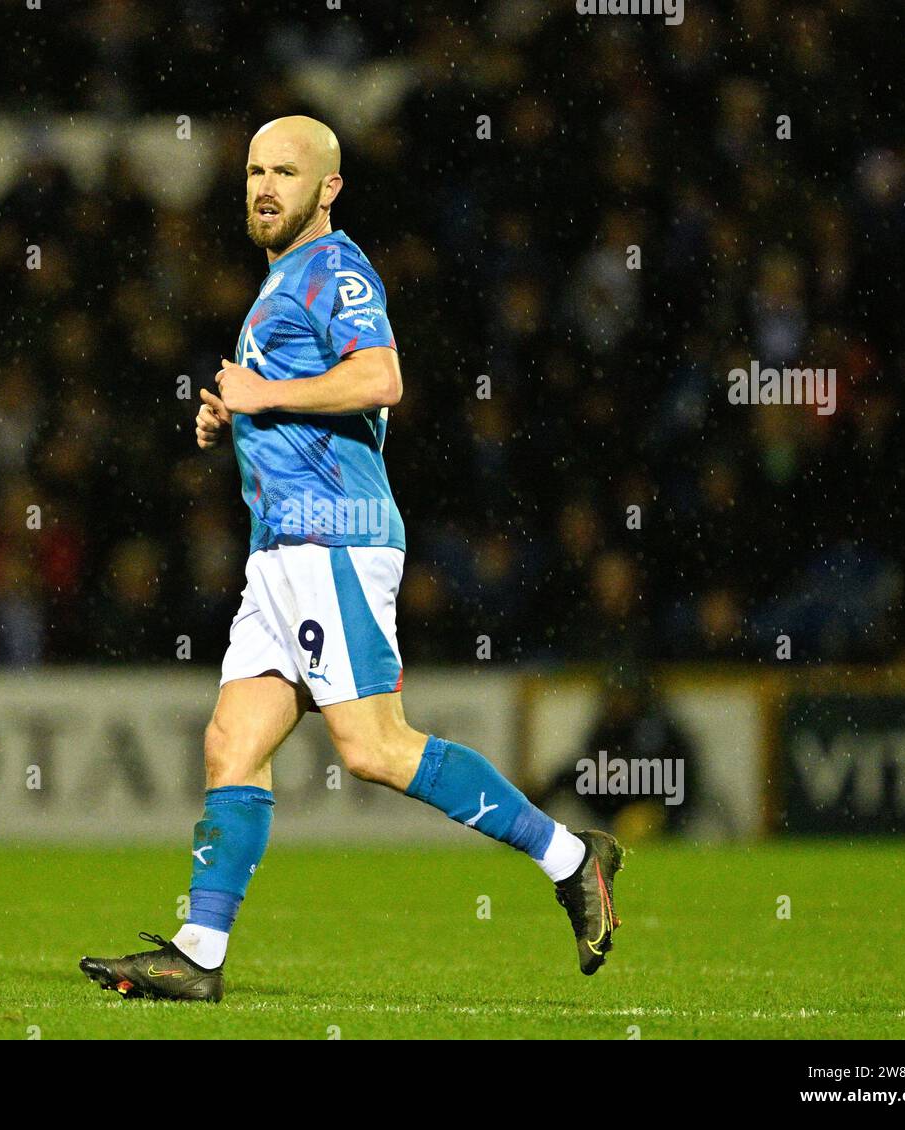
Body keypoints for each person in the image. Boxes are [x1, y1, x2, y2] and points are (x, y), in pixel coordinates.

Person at [80, 116, 623, 1002]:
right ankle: (199, 955)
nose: (264, 187)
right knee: (233, 742)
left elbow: (381, 379)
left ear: (328, 188)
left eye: (286, 173)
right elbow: (311, 399)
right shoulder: (279, 283)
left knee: (373, 747)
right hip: (278, 550)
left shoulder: (336, 268)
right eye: (254, 170)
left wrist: (263, 393)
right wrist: (240, 415)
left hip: (333, 537)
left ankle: (571, 857)